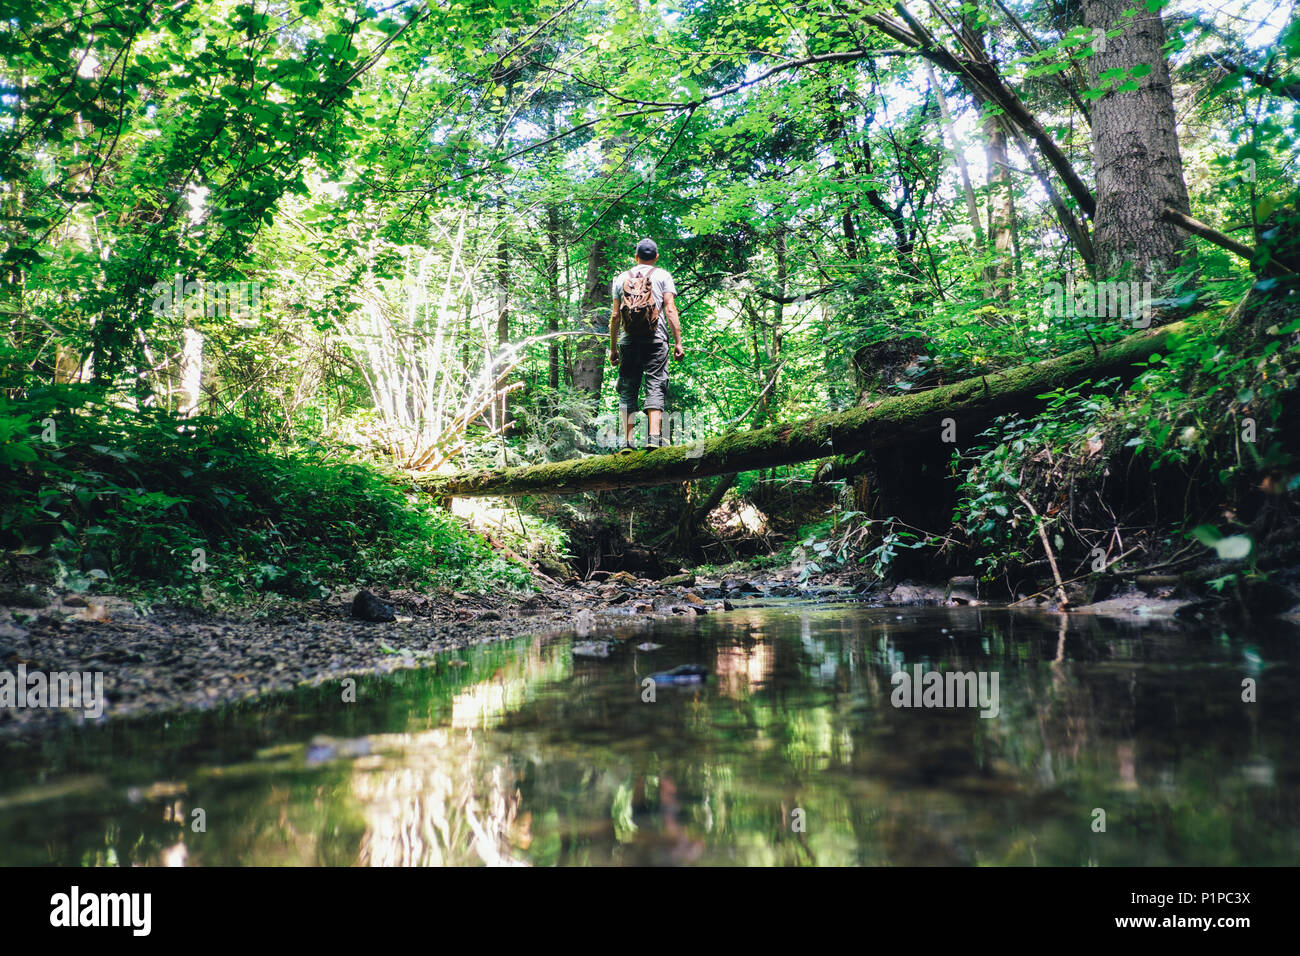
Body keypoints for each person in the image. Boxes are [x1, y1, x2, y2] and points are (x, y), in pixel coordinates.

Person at [609, 238, 685, 451]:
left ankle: (627, 441)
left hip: (628, 341)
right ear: (656, 257)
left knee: (627, 387)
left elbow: (616, 316)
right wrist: (678, 342)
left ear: (636, 257)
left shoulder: (621, 278)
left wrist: (613, 348)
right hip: (656, 339)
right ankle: (653, 438)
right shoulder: (663, 276)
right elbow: (670, 309)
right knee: (656, 383)